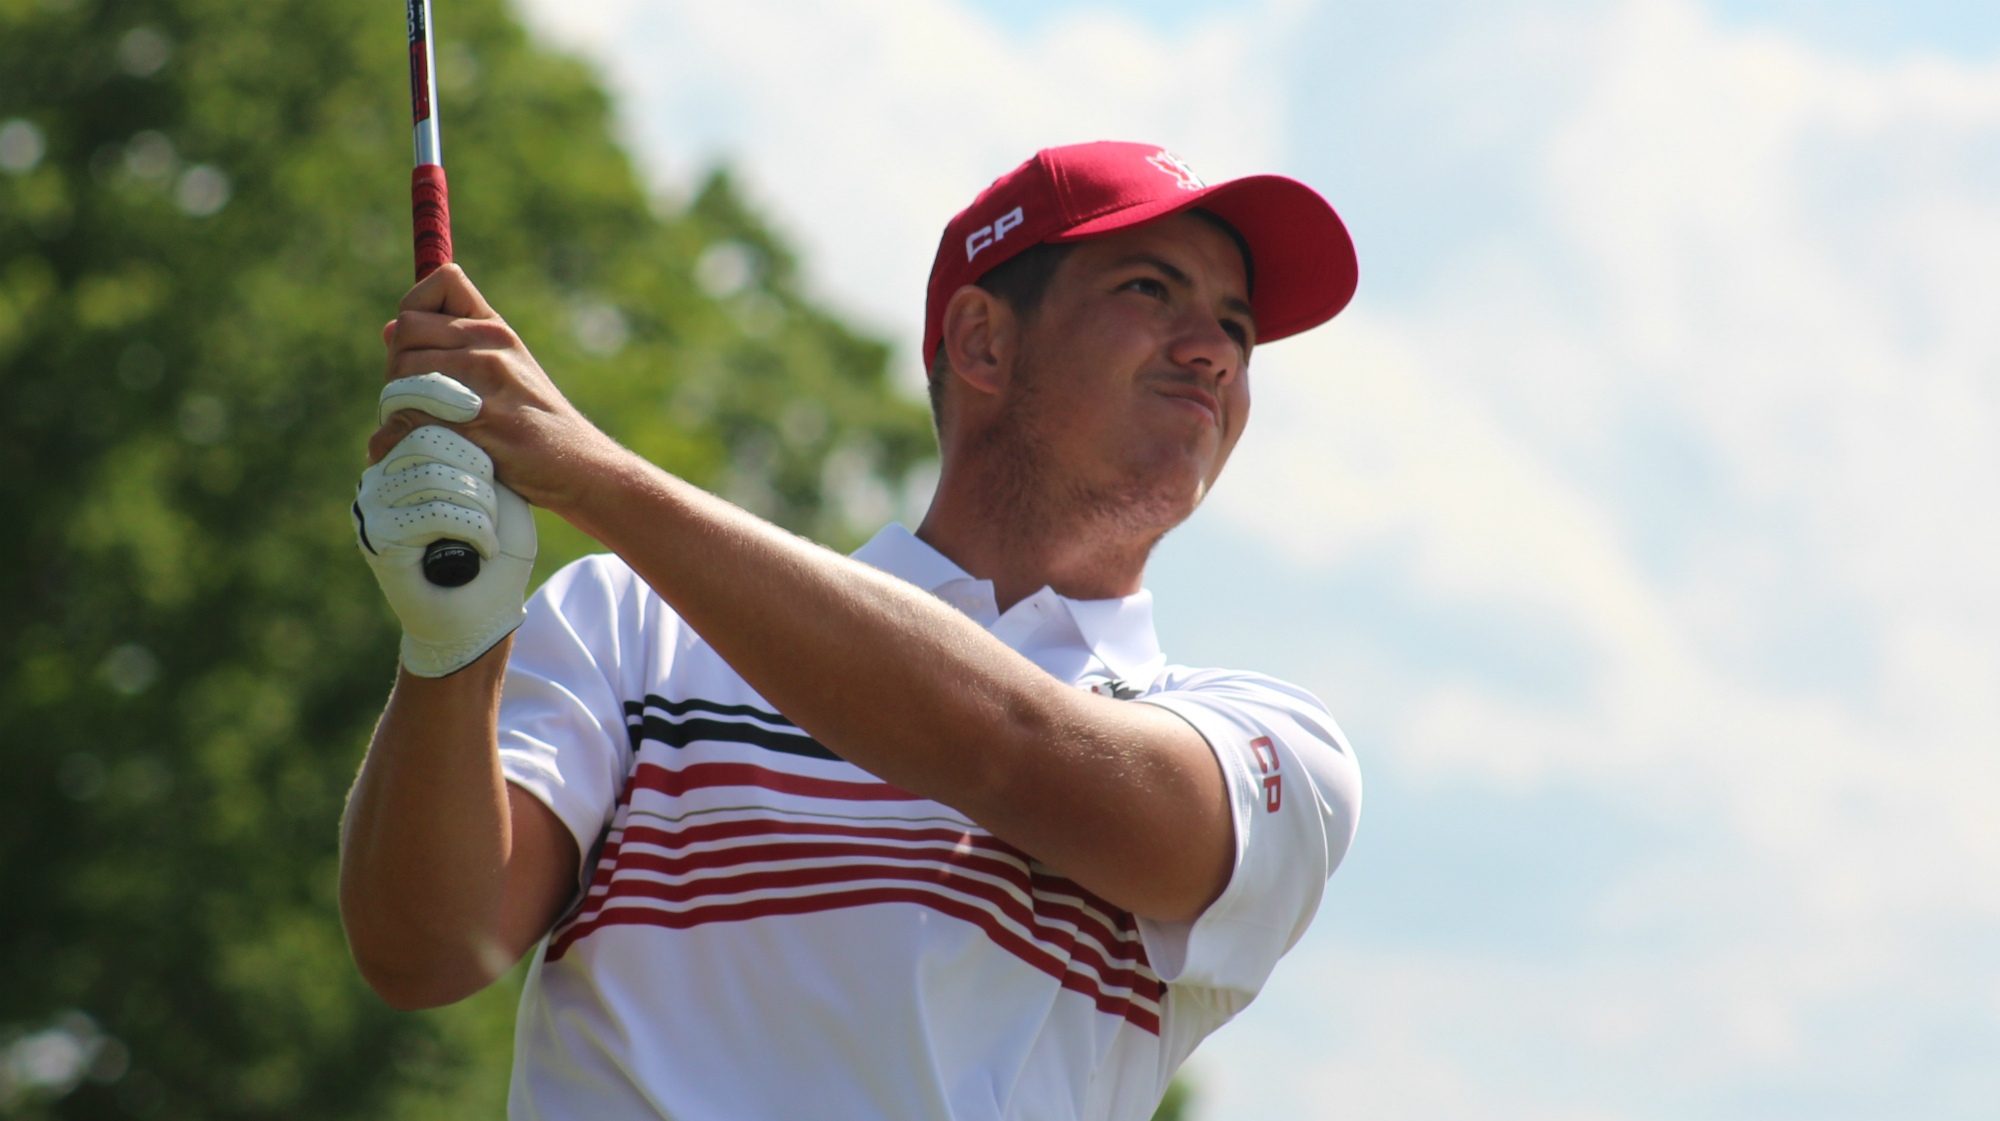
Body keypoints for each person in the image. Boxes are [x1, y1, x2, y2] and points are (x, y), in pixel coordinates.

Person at [340, 140, 1363, 1121]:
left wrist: (594, 474)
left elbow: (1003, 746)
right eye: (1150, 289)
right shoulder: (632, 620)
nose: (1211, 352)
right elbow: (426, 950)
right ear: (982, 341)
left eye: (1234, 324)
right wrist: (451, 648)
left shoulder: (1274, 750)